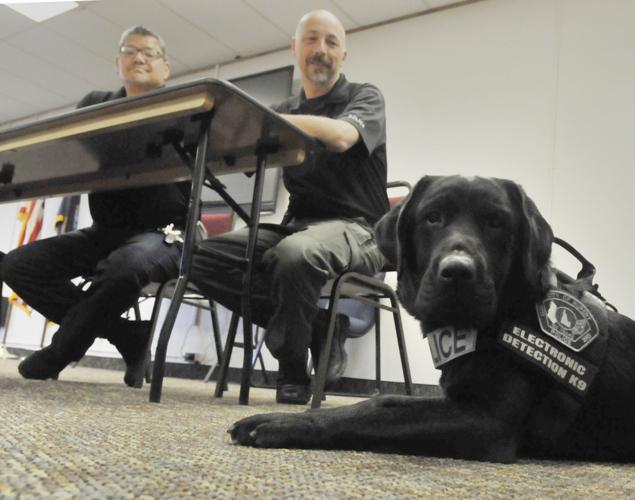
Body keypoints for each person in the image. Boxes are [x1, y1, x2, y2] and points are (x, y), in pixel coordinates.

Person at [191, 10, 388, 405]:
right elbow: (240, 155)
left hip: (360, 230)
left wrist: (270, 121)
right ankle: (317, 326)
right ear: (295, 48)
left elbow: (343, 136)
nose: (321, 50)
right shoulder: (285, 108)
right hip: (298, 225)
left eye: (332, 42)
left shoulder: (364, 96)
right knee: (197, 255)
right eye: (312, 40)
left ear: (343, 55)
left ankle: (293, 367)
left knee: (294, 255)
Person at [1, 26, 188, 386]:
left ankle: (63, 350)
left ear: (166, 68)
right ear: (118, 63)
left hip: (166, 233)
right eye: (130, 51)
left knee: (125, 265)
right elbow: (71, 157)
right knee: (18, 265)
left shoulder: (185, 107)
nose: (139, 58)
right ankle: (127, 335)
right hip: (106, 233)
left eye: (149, 53)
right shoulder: (96, 104)